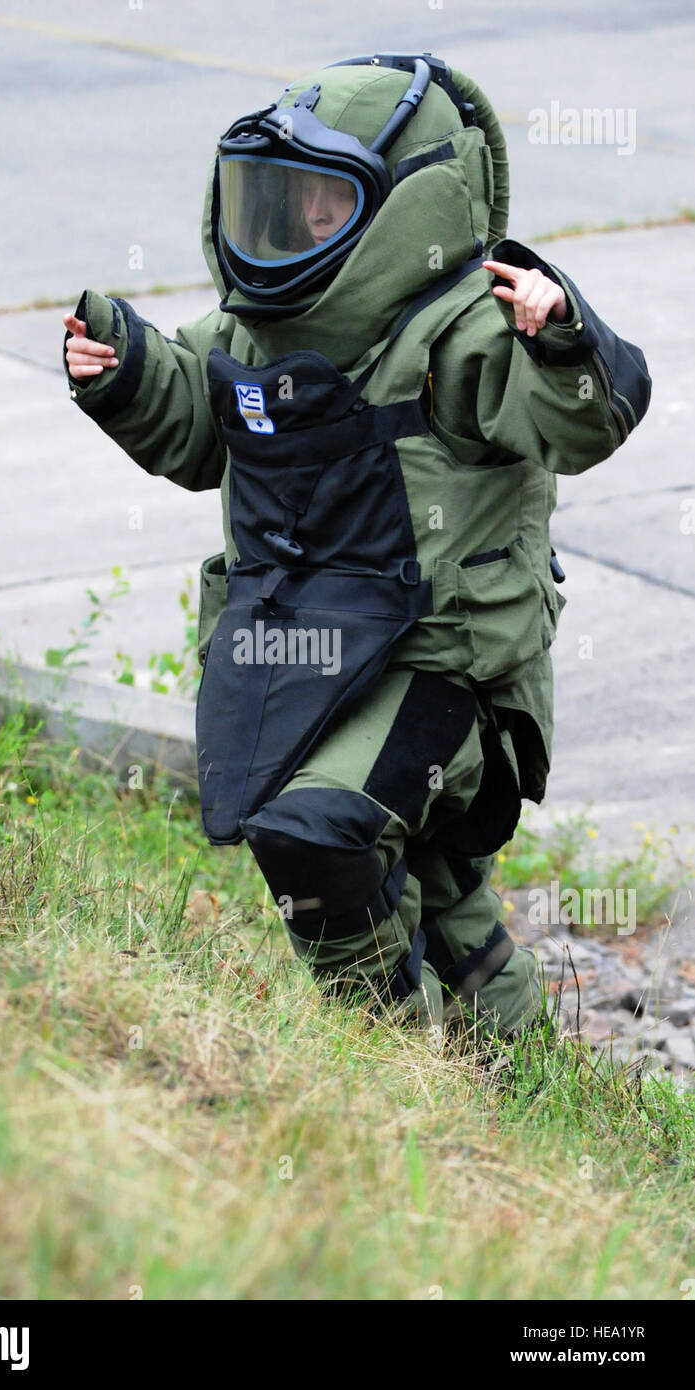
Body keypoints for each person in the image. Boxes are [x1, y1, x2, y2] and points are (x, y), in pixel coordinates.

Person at [62, 52, 651, 1041]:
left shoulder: (464, 330)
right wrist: (124, 373)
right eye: (273, 204)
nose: (290, 229)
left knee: (316, 830)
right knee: (445, 901)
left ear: (405, 210)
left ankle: (389, 1062)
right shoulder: (253, 332)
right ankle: (521, 1094)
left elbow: (588, 418)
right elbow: (198, 431)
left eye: (322, 206)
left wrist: (560, 336)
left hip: (444, 672)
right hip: (314, 655)